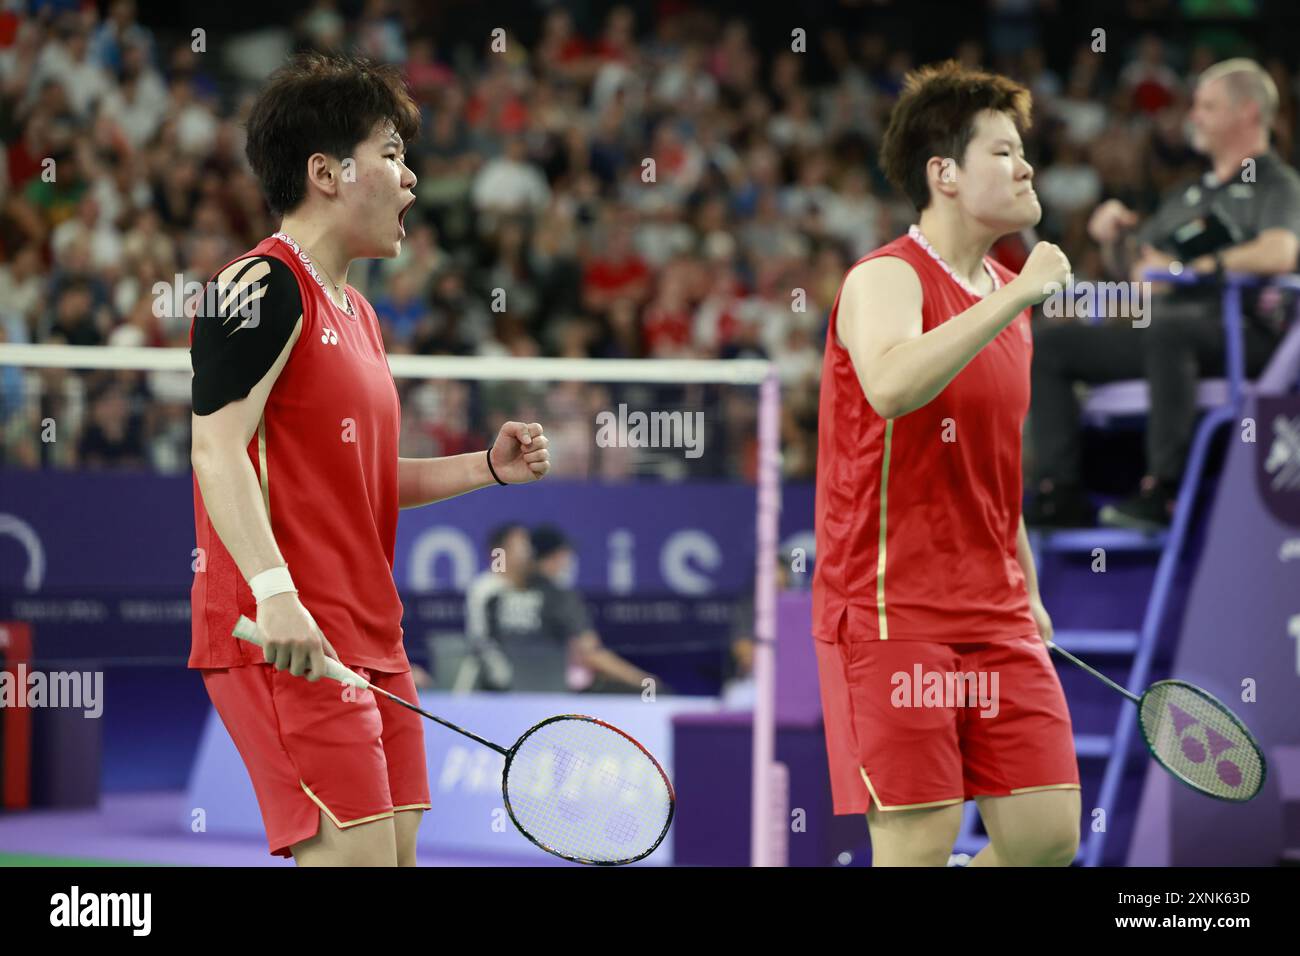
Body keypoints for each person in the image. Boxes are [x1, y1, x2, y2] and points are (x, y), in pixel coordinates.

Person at [188, 53, 552, 867]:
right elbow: (215, 449)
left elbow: (362, 485)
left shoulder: (359, 315)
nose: (411, 180)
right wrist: (278, 597)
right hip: (284, 631)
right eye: (391, 154)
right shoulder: (257, 286)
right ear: (325, 171)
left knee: (397, 857)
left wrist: (484, 468)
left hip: (368, 633)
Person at [812, 61, 1080, 867]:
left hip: (996, 613)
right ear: (945, 174)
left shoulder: (1009, 299)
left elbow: (999, 481)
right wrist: (1014, 298)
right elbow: (891, 385)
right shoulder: (887, 277)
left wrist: (1026, 591)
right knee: (920, 845)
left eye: (1022, 150)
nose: (1025, 165)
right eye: (1002, 152)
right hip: (893, 609)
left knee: (1045, 840)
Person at [1028, 58, 1300, 530]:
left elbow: (1280, 251)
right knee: (1050, 343)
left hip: (1245, 336)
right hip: (1168, 335)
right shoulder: (1187, 196)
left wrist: (1191, 268)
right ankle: (1061, 492)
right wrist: (1113, 238)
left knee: (1168, 329)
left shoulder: (1276, 182)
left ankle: (1163, 492)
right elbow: (1139, 275)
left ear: (1248, 113)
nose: (1193, 116)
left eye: (1207, 106)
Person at [527, 524, 659, 694]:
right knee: (659, 693)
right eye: (565, 554)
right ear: (556, 556)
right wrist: (644, 681)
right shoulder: (562, 598)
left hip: (528, 691)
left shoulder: (514, 594)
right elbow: (591, 654)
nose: (567, 560)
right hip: (571, 693)